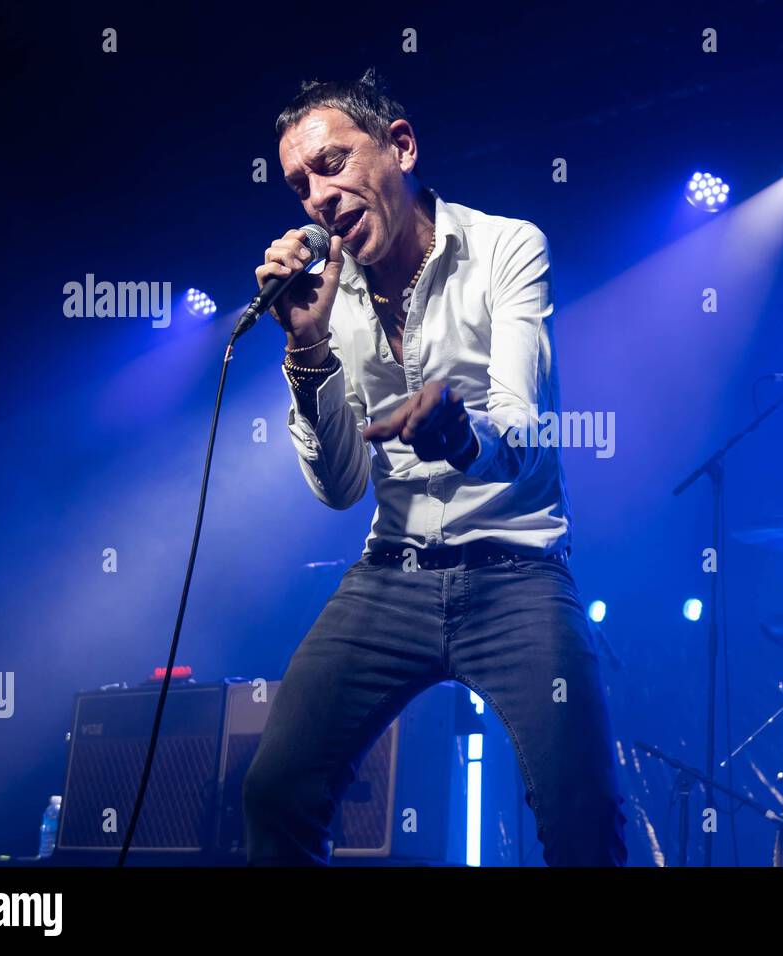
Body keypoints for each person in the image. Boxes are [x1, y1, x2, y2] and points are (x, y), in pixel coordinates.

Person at [241, 70, 627, 866]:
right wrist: (306, 343)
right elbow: (341, 489)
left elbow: (525, 429)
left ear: (401, 146)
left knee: (583, 816)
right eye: (300, 183)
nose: (318, 194)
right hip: (390, 575)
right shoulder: (328, 299)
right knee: (274, 794)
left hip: (516, 573)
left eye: (334, 161)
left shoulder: (506, 248)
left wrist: (461, 436)